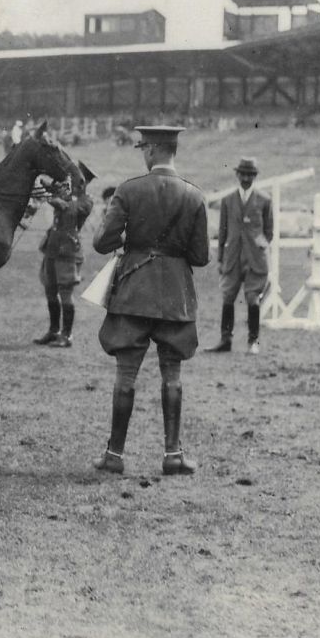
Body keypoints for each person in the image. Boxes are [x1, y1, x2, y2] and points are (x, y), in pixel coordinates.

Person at [92, 125, 211, 476]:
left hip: (133, 291)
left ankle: (114, 455)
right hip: (176, 296)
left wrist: (129, 236)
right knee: (172, 375)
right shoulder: (194, 195)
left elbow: (101, 242)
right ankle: (173, 454)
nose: (143, 153)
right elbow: (201, 255)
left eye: (144, 147)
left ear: (152, 150)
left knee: (125, 375)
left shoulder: (129, 190)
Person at [212, 155, 274, 354]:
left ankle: (253, 341)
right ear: (237, 175)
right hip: (232, 255)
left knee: (252, 297)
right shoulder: (228, 200)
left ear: (255, 176)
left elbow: (269, 232)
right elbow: (222, 231)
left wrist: (258, 246)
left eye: (250, 175)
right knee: (228, 296)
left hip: (255, 258)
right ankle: (225, 340)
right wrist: (221, 257)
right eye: (243, 174)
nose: (246, 179)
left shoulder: (264, 200)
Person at [33, 168, 92, 348]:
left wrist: (51, 197)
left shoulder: (85, 201)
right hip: (52, 248)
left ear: (82, 183)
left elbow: (67, 207)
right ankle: (53, 331)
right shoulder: (66, 194)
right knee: (50, 290)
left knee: (65, 293)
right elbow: (52, 190)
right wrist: (40, 182)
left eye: (73, 180)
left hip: (68, 251)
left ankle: (67, 335)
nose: (69, 182)